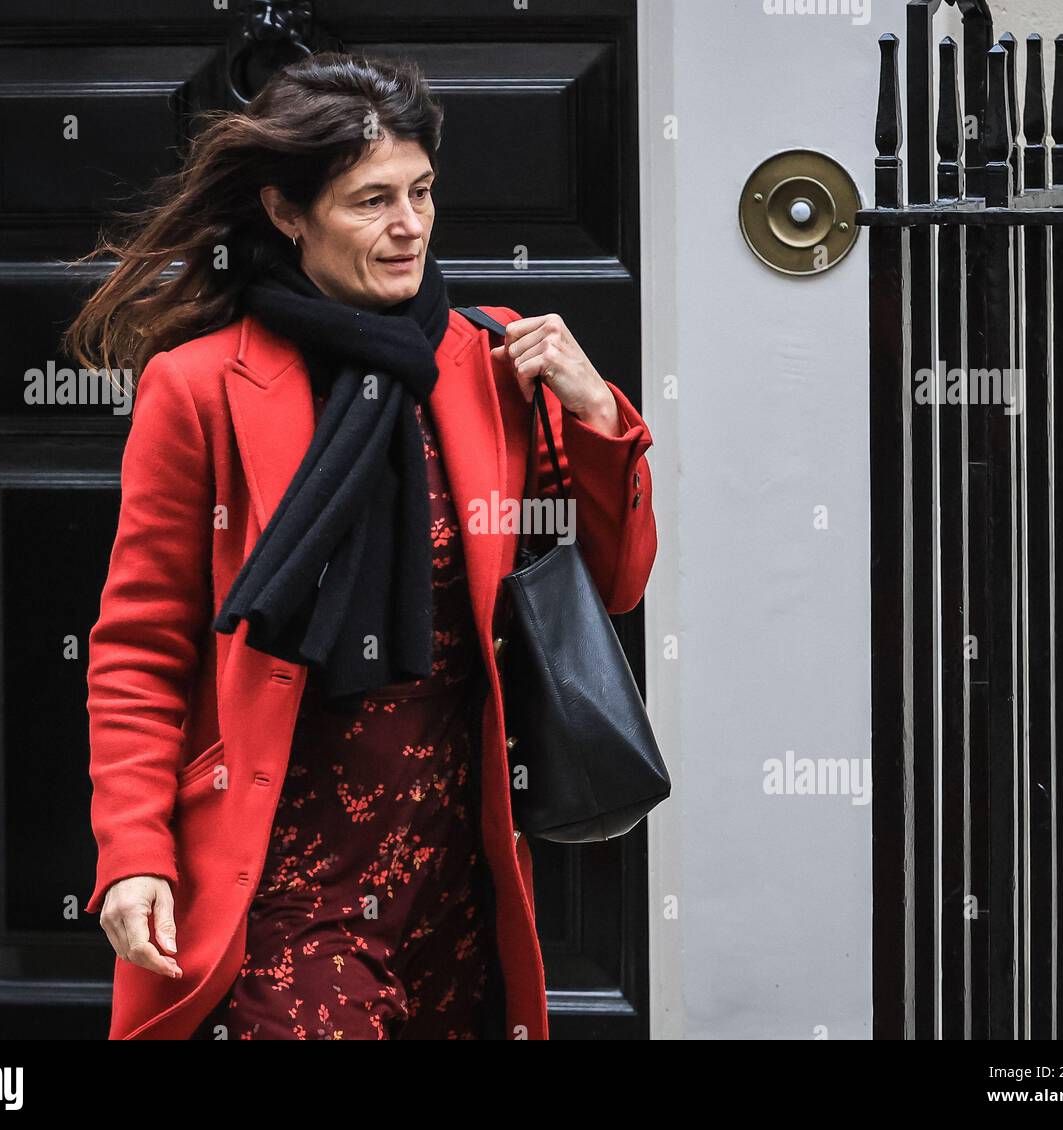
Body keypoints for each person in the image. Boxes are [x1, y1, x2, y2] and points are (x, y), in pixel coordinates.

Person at [66, 50, 657, 1040]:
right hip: (282, 872)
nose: (408, 226)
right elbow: (140, 643)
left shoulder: (493, 358)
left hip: (452, 869)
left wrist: (597, 412)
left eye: (421, 191)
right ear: (288, 212)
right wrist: (132, 850)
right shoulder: (202, 384)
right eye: (370, 200)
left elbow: (615, 581)